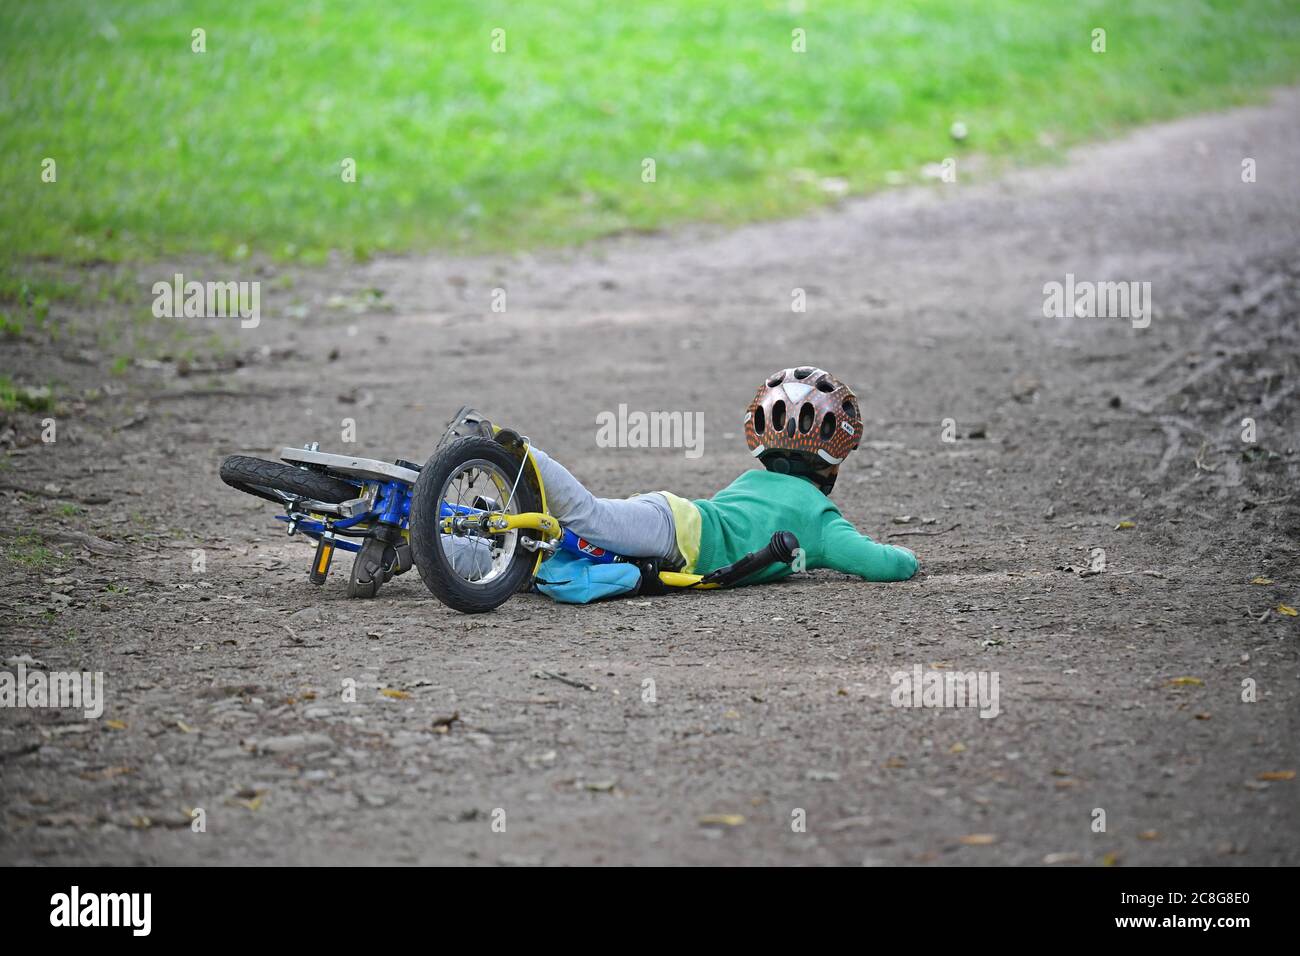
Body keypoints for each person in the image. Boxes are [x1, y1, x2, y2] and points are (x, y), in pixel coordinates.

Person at [442, 366, 919, 586]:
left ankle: (427, 533)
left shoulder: (750, 484)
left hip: (672, 526)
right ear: (834, 458)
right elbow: (884, 565)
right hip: (675, 528)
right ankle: (508, 444)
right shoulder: (821, 521)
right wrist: (910, 558)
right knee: (586, 514)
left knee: (539, 550)